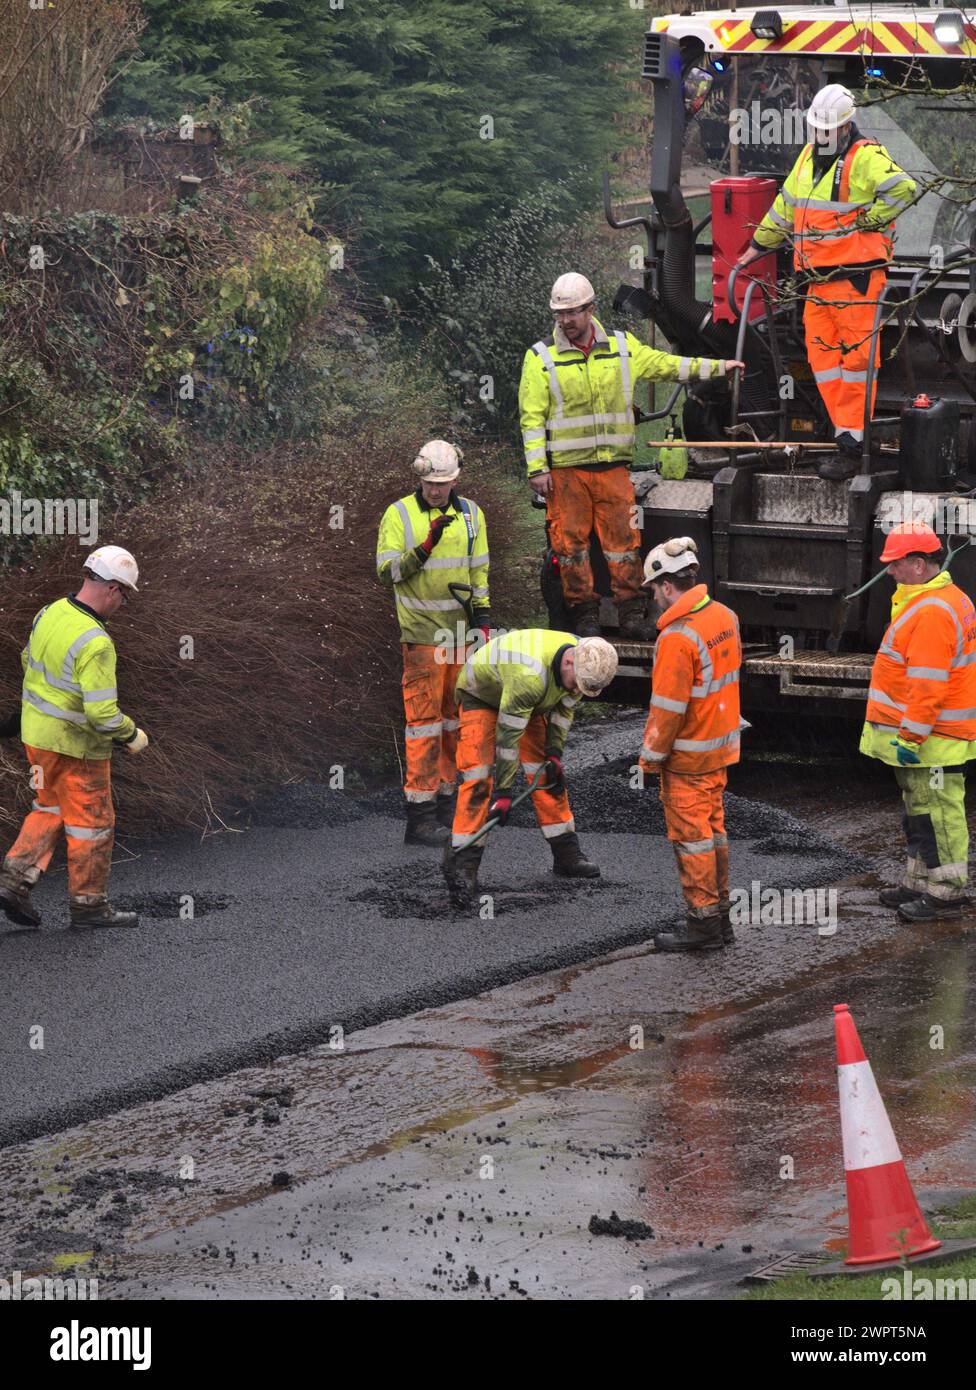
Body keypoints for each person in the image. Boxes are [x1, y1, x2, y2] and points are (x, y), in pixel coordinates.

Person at [518, 272, 744, 637]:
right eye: (559, 314)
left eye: (572, 312)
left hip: (613, 469)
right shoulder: (541, 358)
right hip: (565, 472)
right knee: (570, 547)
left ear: (590, 309)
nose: (565, 320)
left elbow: (668, 366)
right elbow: (531, 418)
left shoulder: (623, 348)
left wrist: (719, 368)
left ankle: (632, 615)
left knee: (623, 545)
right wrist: (536, 468)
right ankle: (585, 618)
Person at [737, 84, 916, 481]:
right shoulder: (805, 160)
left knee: (855, 365)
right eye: (816, 129)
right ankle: (849, 434)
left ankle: (852, 447)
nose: (820, 137)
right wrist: (756, 247)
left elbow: (904, 189)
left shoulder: (866, 157)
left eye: (826, 130)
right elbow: (784, 210)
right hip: (817, 284)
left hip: (856, 282)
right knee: (823, 362)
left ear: (845, 125)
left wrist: (868, 222)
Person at [0, 546, 148, 930]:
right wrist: (131, 734)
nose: (122, 604)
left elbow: (28, 664)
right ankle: (89, 908)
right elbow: (101, 714)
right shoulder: (96, 642)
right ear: (113, 590)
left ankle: (14, 881)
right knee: (92, 823)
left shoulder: (49, 612)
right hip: (78, 749)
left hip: (36, 738)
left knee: (49, 806)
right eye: (125, 596)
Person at [442, 630, 618, 902]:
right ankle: (464, 865)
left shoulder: (586, 664)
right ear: (569, 662)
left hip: (527, 703)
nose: (575, 690)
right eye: (576, 684)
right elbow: (507, 739)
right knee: (478, 779)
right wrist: (503, 794)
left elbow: (563, 712)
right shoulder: (530, 674)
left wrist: (554, 754)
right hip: (482, 696)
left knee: (547, 774)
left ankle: (567, 855)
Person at [376, 440, 490, 846]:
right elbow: (386, 571)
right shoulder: (399, 514)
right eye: (429, 483)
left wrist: (484, 622)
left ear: (456, 479)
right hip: (422, 634)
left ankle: (445, 807)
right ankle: (420, 818)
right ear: (419, 478)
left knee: (453, 725)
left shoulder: (472, 515)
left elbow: (479, 574)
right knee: (423, 727)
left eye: (443, 483)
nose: (436, 490)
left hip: (459, 633)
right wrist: (423, 549)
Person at [861, 521, 976, 922]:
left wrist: (910, 736)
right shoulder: (936, 599)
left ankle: (947, 895)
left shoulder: (932, 611)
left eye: (895, 564)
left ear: (918, 564)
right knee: (919, 809)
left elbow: (927, 684)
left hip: (933, 737)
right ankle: (920, 881)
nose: (889, 572)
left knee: (938, 814)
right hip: (932, 735)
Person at [637, 537, 745, 952]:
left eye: (653, 589)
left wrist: (648, 762)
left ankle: (703, 926)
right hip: (720, 748)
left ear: (667, 585)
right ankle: (720, 919)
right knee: (713, 834)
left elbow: (666, 711)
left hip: (687, 757)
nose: (654, 598)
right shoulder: (725, 616)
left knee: (693, 839)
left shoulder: (677, 638)